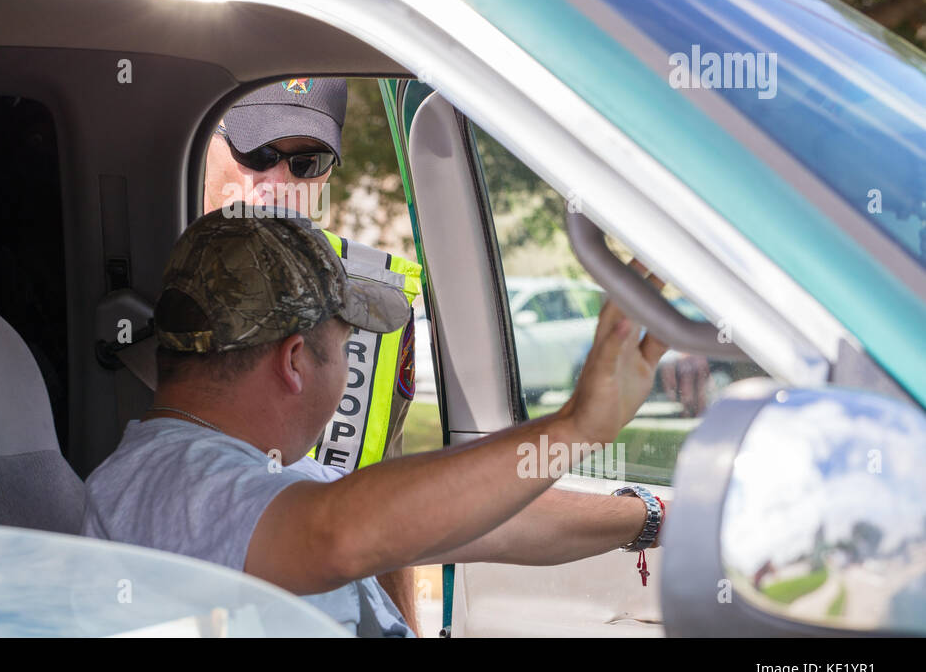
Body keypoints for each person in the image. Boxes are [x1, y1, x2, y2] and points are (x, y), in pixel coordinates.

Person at [82, 210, 670, 637]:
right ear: (293, 361)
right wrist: (575, 428)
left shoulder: (257, 477)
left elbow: (486, 523)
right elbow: (342, 534)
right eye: (344, 346)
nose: (347, 370)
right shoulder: (166, 482)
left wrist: (656, 517)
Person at [202, 77, 427, 626]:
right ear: (204, 139)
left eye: (307, 164)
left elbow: (385, 515)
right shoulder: (139, 277)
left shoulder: (376, 301)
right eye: (258, 155)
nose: (280, 183)